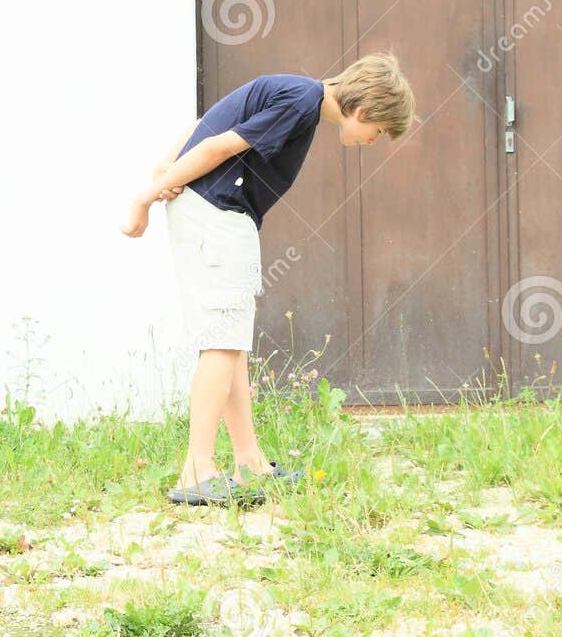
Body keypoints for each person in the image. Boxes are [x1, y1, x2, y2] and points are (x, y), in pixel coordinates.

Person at [121, 52, 415, 505]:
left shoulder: (297, 94)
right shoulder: (300, 101)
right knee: (221, 341)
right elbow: (217, 147)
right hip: (217, 216)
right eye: (377, 134)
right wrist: (147, 195)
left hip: (218, 216)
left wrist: (164, 166)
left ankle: (248, 462)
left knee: (232, 342)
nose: (372, 142)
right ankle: (196, 470)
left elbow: (208, 121)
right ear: (363, 111)